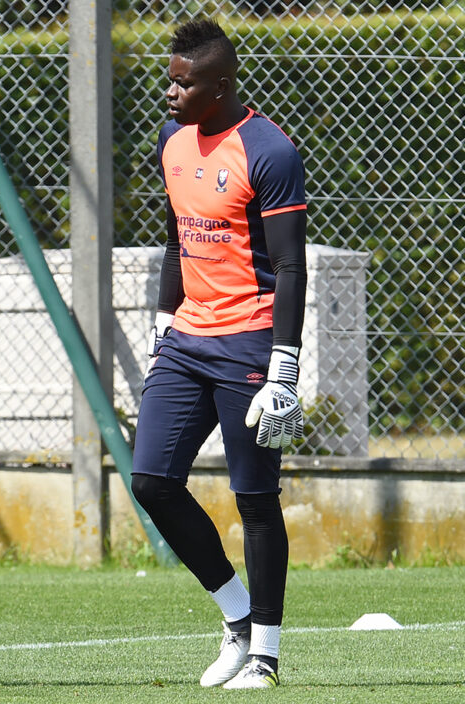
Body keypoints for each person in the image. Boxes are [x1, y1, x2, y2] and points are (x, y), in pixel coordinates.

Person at [131, 18, 307, 690]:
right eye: (170, 80)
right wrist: (159, 325)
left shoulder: (269, 150)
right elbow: (177, 240)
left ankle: (265, 654)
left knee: (255, 498)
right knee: (151, 480)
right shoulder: (171, 140)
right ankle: (235, 618)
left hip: (249, 343)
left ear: (221, 85)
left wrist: (284, 366)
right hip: (186, 339)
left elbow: (289, 266)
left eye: (184, 83)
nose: (171, 94)